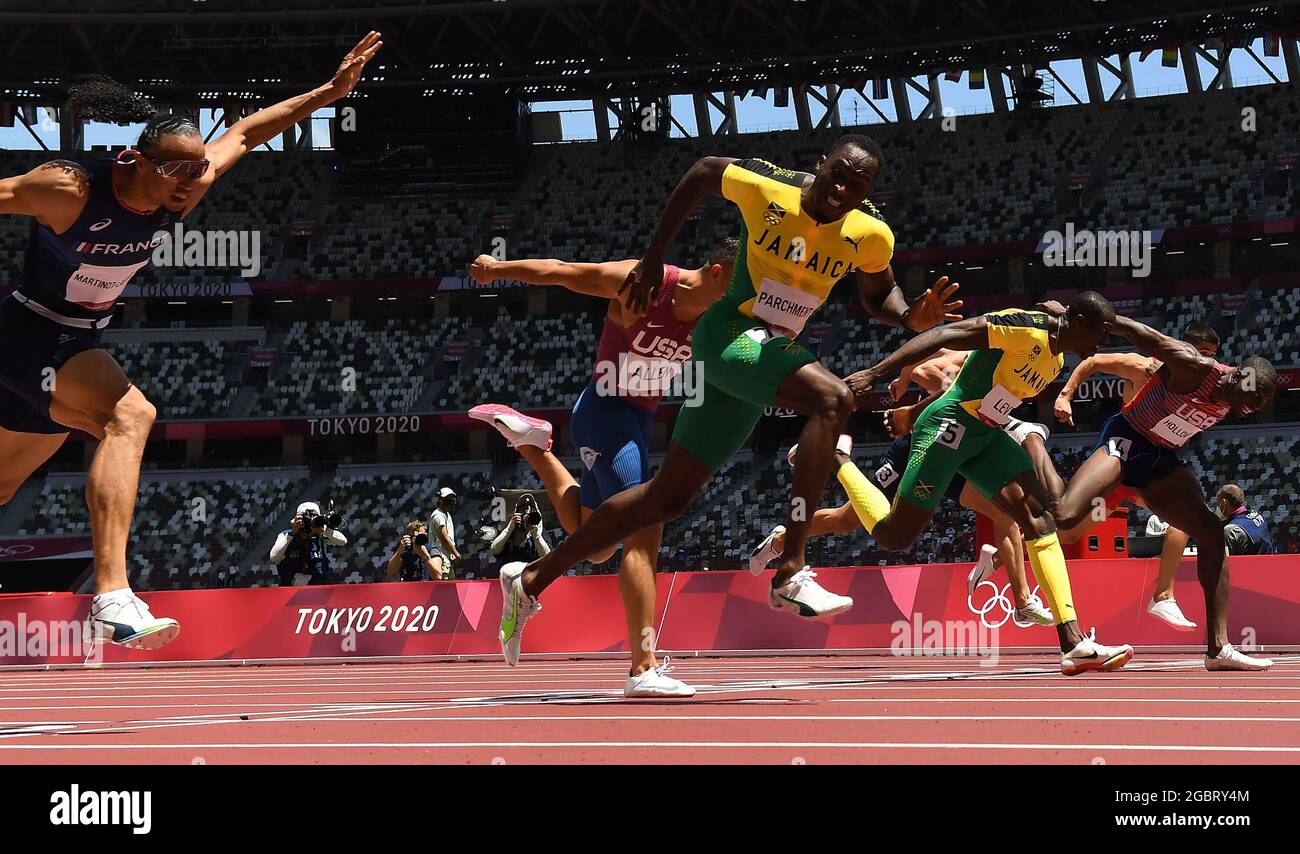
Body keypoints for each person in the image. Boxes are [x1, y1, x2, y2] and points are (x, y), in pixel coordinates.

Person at [496, 136, 963, 665]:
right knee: (832, 399)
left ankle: (532, 579)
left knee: (664, 500)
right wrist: (652, 260)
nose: (840, 190)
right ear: (820, 165)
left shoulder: (871, 234)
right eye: (836, 175)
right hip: (728, 334)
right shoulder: (766, 186)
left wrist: (909, 318)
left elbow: (879, 296)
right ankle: (791, 569)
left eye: (856, 186)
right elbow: (700, 172)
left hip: (758, 356)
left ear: (868, 191)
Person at [0, 33, 382, 648]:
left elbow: (248, 131)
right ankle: (113, 595)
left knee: (4, 486)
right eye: (176, 170)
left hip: (73, 339)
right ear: (132, 161)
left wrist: (331, 93)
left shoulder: (184, 189)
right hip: (29, 331)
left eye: (197, 169)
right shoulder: (69, 189)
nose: (190, 183)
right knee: (131, 415)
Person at [468, 239, 736, 697]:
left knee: (593, 541)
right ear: (714, 272)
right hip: (606, 411)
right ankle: (642, 667)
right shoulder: (646, 283)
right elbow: (561, 269)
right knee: (643, 529)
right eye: (739, 282)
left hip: (637, 421)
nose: (745, 295)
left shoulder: (719, 320)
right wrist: (497, 269)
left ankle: (536, 449)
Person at [837, 294, 1134, 675]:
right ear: (1077, 321)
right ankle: (839, 460)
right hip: (949, 426)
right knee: (895, 536)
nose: (1103, 342)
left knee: (1040, 518)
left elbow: (1053, 310)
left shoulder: (1057, 356)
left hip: (988, 434)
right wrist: (876, 374)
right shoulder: (1021, 328)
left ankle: (1073, 643)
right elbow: (948, 331)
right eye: (1100, 332)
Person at [751, 352, 1053, 626]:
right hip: (920, 449)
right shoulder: (970, 358)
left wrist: (905, 378)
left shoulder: (1021, 371)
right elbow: (924, 367)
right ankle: (781, 540)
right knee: (847, 520)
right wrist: (920, 383)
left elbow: (919, 361)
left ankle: (1023, 601)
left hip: (963, 452)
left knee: (1007, 515)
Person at [1047, 314, 1278, 671]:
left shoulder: (1234, 395)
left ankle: (1217, 647)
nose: (1249, 410)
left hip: (1158, 462)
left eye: (1259, 405)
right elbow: (1143, 335)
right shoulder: (1192, 366)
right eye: (1250, 399)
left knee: (1210, 531)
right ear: (1235, 376)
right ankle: (1025, 495)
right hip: (1125, 443)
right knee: (1066, 519)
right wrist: (1095, 320)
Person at [1032, 321, 1223, 630]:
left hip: (1151, 471)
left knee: (1187, 521)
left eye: (1213, 355)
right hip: (1120, 465)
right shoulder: (1143, 367)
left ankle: (1163, 596)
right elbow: (1093, 361)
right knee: (1067, 532)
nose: (1208, 362)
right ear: (1183, 349)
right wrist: (1065, 395)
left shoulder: (1205, 389)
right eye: (1202, 354)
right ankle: (1005, 555)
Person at [270, 501, 349, 587]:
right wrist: (292, 534)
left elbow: (343, 541)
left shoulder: (321, 536)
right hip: (290, 592)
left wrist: (325, 530)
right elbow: (274, 557)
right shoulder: (285, 535)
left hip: (317, 592)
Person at [1216, 484, 1272, 556]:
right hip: (1269, 563)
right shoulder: (1257, 515)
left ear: (1224, 503)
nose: (1217, 507)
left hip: (1250, 566)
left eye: (1218, 503)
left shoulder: (1230, 530)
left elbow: (1223, 563)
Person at [428, 487, 460, 581]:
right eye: (448, 497)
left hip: (446, 555)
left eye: (452, 497)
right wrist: (455, 553)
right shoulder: (439, 515)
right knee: (443, 584)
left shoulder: (446, 514)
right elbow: (444, 537)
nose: (451, 500)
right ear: (440, 499)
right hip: (441, 556)